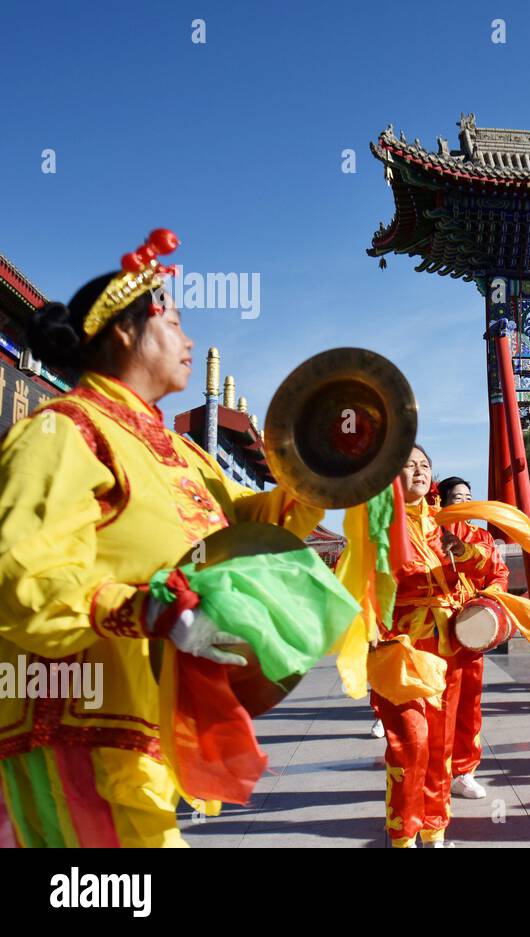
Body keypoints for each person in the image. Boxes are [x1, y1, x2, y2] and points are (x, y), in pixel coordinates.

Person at [0, 231, 322, 847]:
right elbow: (22, 575)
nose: (189, 340)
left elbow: (242, 535)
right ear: (125, 331)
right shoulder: (64, 431)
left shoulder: (180, 451)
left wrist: (318, 479)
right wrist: (142, 608)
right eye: (173, 322)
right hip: (73, 721)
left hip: (142, 722)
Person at [371, 447, 503, 847]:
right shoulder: (380, 526)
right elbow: (362, 583)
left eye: (424, 466)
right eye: (408, 464)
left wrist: (463, 553)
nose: (418, 471)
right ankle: (403, 831)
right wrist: (373, 633)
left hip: (449, 647)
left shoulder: (442, 525)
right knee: (411, 742)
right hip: (404, 647)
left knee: (441, 743)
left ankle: (434, 828)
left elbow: (485, 565)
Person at [438, 475, 507, 801]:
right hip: (436, 631)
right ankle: (437, 772)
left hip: (470, 630)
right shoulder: (430, 534)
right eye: (456, 498)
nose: (463, 503)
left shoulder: (481, 536)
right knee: (440, 706)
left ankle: (464, 772)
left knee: (469, 704)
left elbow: (498, 573)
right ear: (442, 502)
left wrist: (490, 599)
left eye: (468, 497)